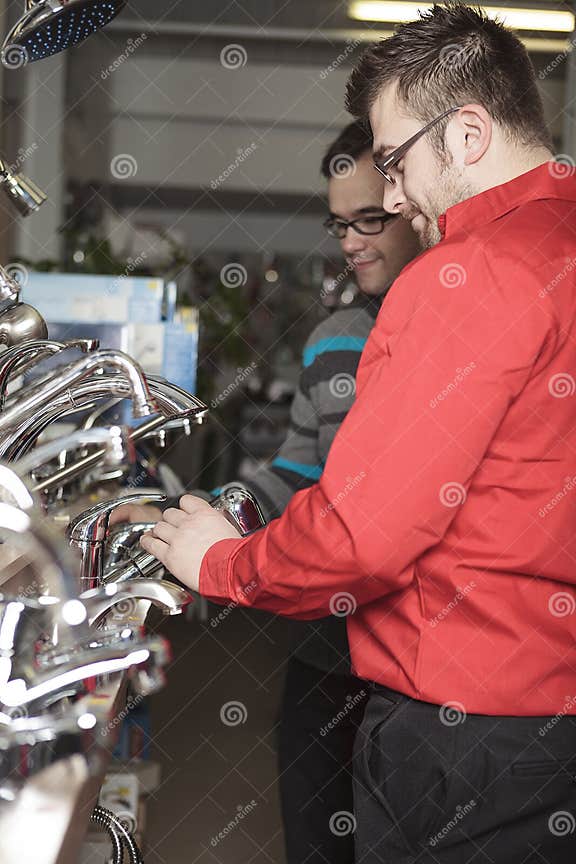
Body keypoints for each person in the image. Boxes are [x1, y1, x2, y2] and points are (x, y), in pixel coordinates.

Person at [141, 4, 576, 860]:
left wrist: (221, 562)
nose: (389, 196)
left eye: (394, 162)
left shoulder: (467, 272)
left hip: (467, 742)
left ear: (472, 133)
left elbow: (363, 535)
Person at [113, 122, 420, 864]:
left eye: (370, 219)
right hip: (322, 652)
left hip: (413, 669)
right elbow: (293, 472)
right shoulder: (333, 337)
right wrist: (190, 515)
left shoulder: (448, 332)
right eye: (339, 223)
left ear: (416, 201)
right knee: (315, 841)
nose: (350, 241)